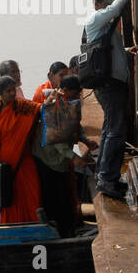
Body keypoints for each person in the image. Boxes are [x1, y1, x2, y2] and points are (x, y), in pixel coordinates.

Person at [0, 76, 42, 224]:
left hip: (23, 160)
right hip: (3, 164)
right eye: (8, 91)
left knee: (32, 193)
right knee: (9, 196)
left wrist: (51, 101)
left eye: (14, 90)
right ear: (0, 93)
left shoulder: (23, 106)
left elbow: (39, 109)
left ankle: (34, 224)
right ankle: (12, 225)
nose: (12, 94)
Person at [86, 0, 133, 196]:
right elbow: (115, 9)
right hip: (110, 86)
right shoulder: (96, 19)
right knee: (115, 131)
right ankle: (106, 178)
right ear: (97, 4)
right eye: (105, 3)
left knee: (110, 130)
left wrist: (125, 51)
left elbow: (107, 51)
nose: (107, 8)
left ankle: (105, 176)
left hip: (112, 85)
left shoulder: (103, 27)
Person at [33, 75, 84, 236]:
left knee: (64, 196)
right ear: (66, 91)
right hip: (48, 160)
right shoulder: (54, 106)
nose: (77, 99)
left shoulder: (69, 104)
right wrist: (74, 157)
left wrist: (86, 142)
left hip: (60, 160)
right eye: (75, 95)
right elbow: (58, 141)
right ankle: (56, 232)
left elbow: (74, 129)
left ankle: (67, 227)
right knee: (54, 199)